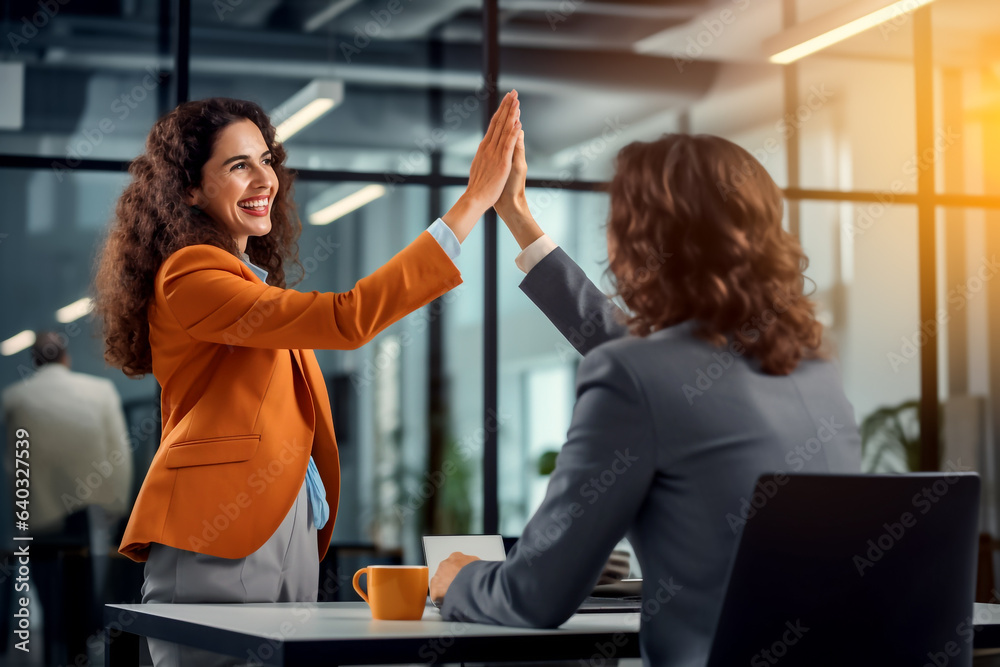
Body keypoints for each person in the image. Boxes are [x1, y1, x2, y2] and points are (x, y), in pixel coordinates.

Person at [93, 93, 520, 666]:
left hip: (288, 520)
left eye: (265, 160)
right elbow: (348, 319)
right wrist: (473, 203)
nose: (263, 179)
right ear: (189, 189)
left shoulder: (249, 284)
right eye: (238, 165)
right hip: (218, 527)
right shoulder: (189, 274)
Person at [430, 131, 862, 666]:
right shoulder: (815, 369)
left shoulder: (636, 376)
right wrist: (519, 217)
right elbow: (655, 363)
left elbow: (534, 595)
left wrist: (461, 579)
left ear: (638, 240)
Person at [1, 331, 132, 665]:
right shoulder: (101, 391)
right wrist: (118, 508)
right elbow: (119, 454)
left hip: (39, 518)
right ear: (66, 358)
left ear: (34, 361)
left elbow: (12, 464)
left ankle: (53, 653)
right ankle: (80, 651)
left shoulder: (14, 398)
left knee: (48, 597)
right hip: (91, 517)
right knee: (87, 597)